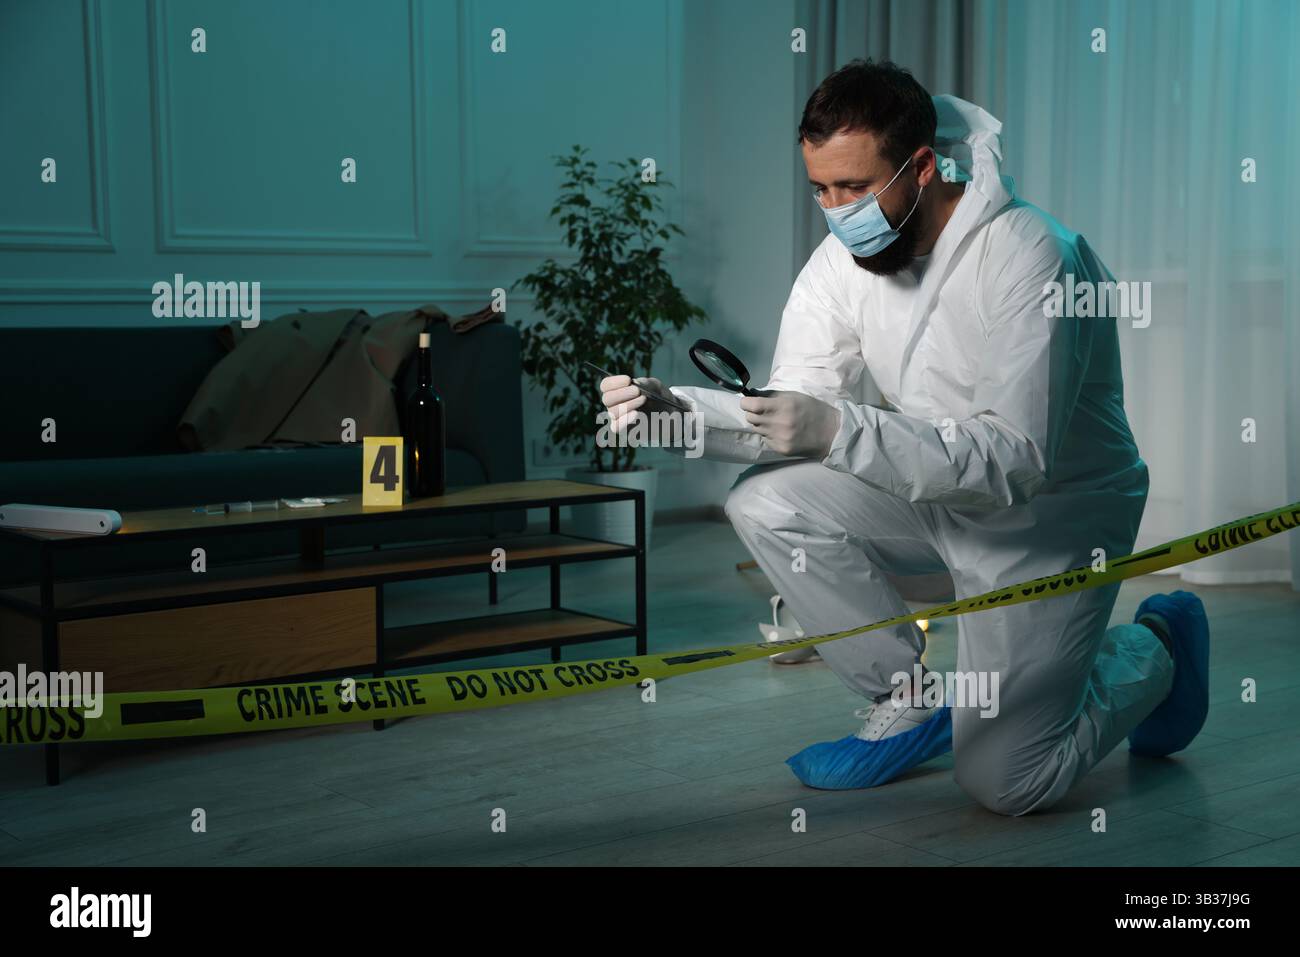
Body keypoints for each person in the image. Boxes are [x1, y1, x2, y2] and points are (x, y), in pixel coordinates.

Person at [599, 59, 1209, 816]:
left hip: (1052, 520)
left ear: (922, 166)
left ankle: (1157, 650)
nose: (835, 209)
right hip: (932, 495)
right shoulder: (842, 260)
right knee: (766, 501)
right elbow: (796, 409)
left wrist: (837, 426)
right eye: (820, 188)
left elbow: (1016, 461)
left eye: (853, 187)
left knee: (1007, 780)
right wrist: (681, 413)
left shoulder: (1034, 256)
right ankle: (910, 698)